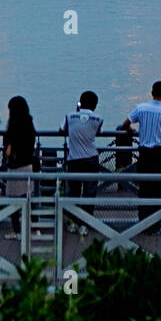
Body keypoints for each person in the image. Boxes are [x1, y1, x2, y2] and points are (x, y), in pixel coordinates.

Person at [123, 81, 161, 234]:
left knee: (145, 188)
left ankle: (143, 223)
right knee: (160, 189)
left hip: (144, 153)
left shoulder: (141, 108)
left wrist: (133, 130)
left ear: (151, 92)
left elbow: (125, 124)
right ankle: (156, 225)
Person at [61, 91, 104, 236]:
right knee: (89, 193)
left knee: (73, 192)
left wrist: (76, 112)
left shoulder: (69, 116)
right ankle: (85, 224)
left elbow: (62, 130)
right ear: (95, 105)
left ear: (80, 102)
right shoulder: (98, 118)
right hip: (91, 159)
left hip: (74, 160)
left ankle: (73, 222)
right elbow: (97, 132)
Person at [1, 96, 37, 241]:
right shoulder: (29, 123)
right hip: (28, 165)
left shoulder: (14, 125)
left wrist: (10, 146)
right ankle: (34, 228)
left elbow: (8, 143)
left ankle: (17, 230)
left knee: (14, 200)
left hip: (15, 166)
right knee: (28, 198)